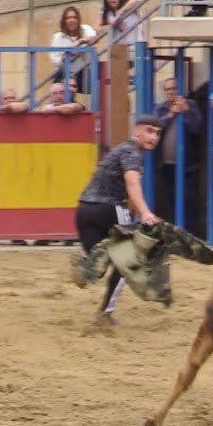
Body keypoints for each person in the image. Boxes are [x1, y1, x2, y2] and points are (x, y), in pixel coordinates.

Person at [74, 114, 163, 325]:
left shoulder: (120, 150)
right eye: (149, 131)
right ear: (137, 131)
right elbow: (132, 184)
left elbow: (130, 194)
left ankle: (85, 267)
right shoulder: (132, 153)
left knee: (101, 263)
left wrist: (135, 212)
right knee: (128, 262)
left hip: (84, 211)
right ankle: (105, 314)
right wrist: (146, 213)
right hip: (109, 209)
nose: (154, 137)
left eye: (158, 133)